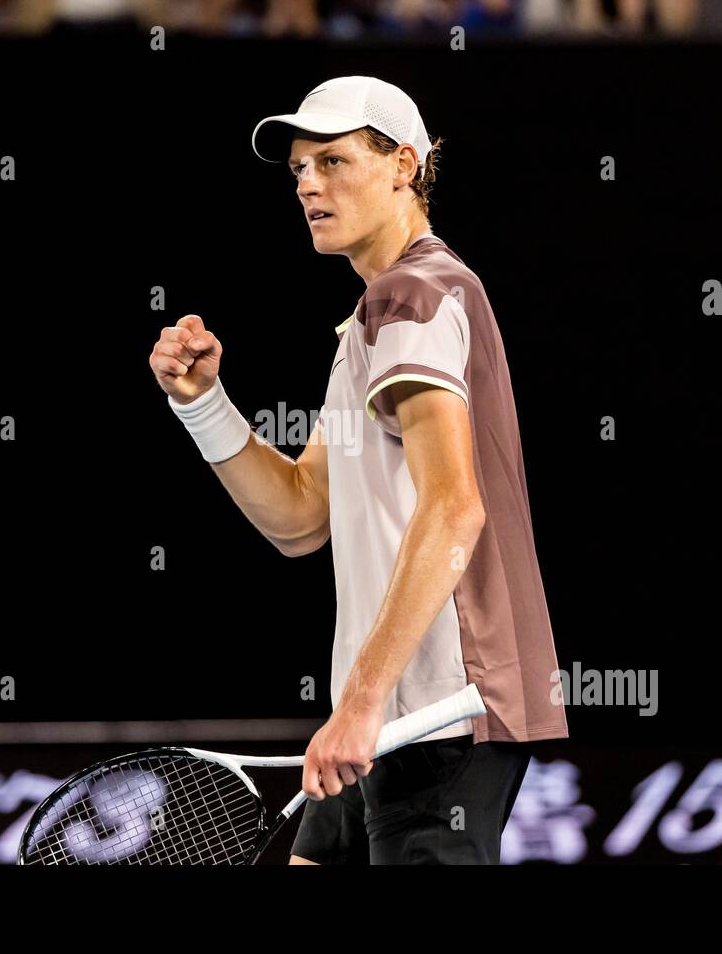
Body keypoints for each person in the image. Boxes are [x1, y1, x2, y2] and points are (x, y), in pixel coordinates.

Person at [148, 76, 567, 864]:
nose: (308, 183)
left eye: (333, 161)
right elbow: (301, 517)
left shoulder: (414, 295)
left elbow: (454, 510)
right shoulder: (371, 322)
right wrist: (203, 404)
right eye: (299, 170)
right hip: (380, 720)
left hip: (440, 712)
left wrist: (364, 702)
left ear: (403, 164)